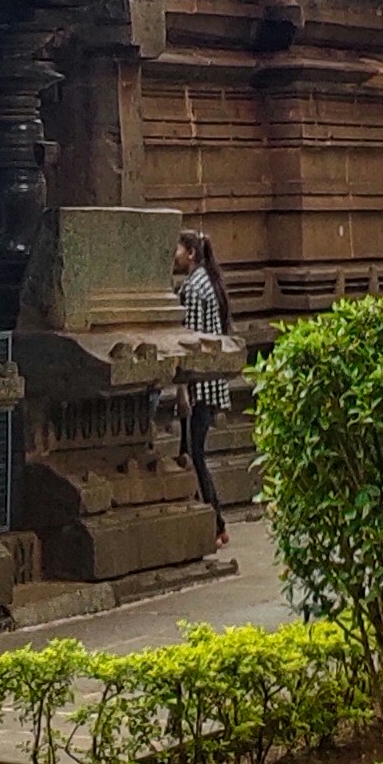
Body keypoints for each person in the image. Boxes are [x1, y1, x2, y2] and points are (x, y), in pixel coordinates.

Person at [174, 226, 233, 548]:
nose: (174, 257)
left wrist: (183, 389)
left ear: (191, 253)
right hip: (211, 383)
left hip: (199, 387)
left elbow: (190, 343)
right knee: (191, 451)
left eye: (177, 251)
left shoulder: (193, 289)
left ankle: (215, 523)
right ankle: (209, 522)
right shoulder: (207, 283)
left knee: (194, 453)